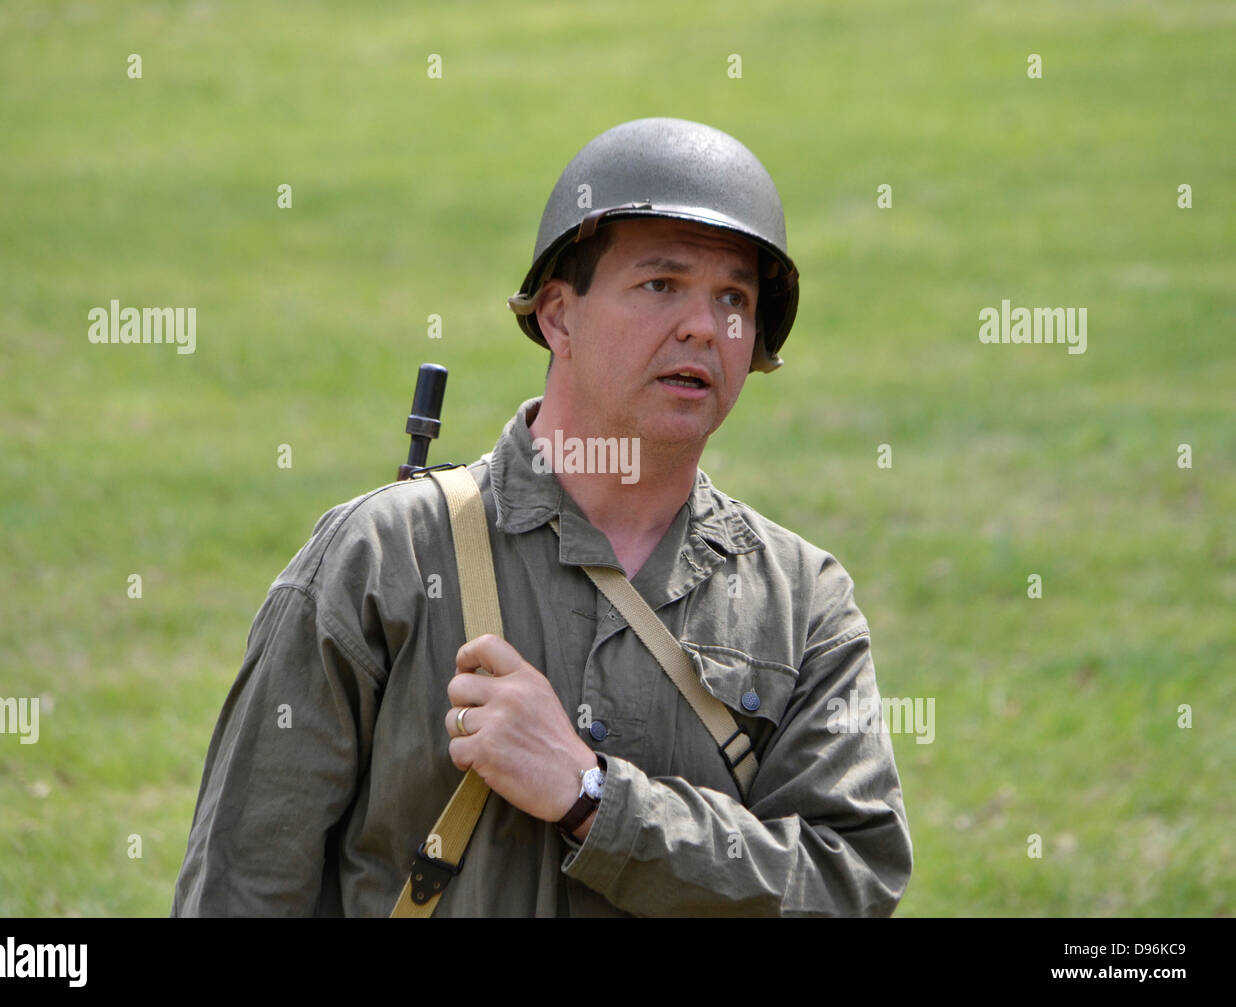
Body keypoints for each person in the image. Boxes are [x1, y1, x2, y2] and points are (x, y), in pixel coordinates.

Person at [172, 117, 913, 917]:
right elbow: (243, 887)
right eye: (661, 284)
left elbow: (850, 884)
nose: (705, 325)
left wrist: (593, 796)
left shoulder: (802, 602)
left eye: (733, 297)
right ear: (559, 317)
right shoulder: (381, 558)